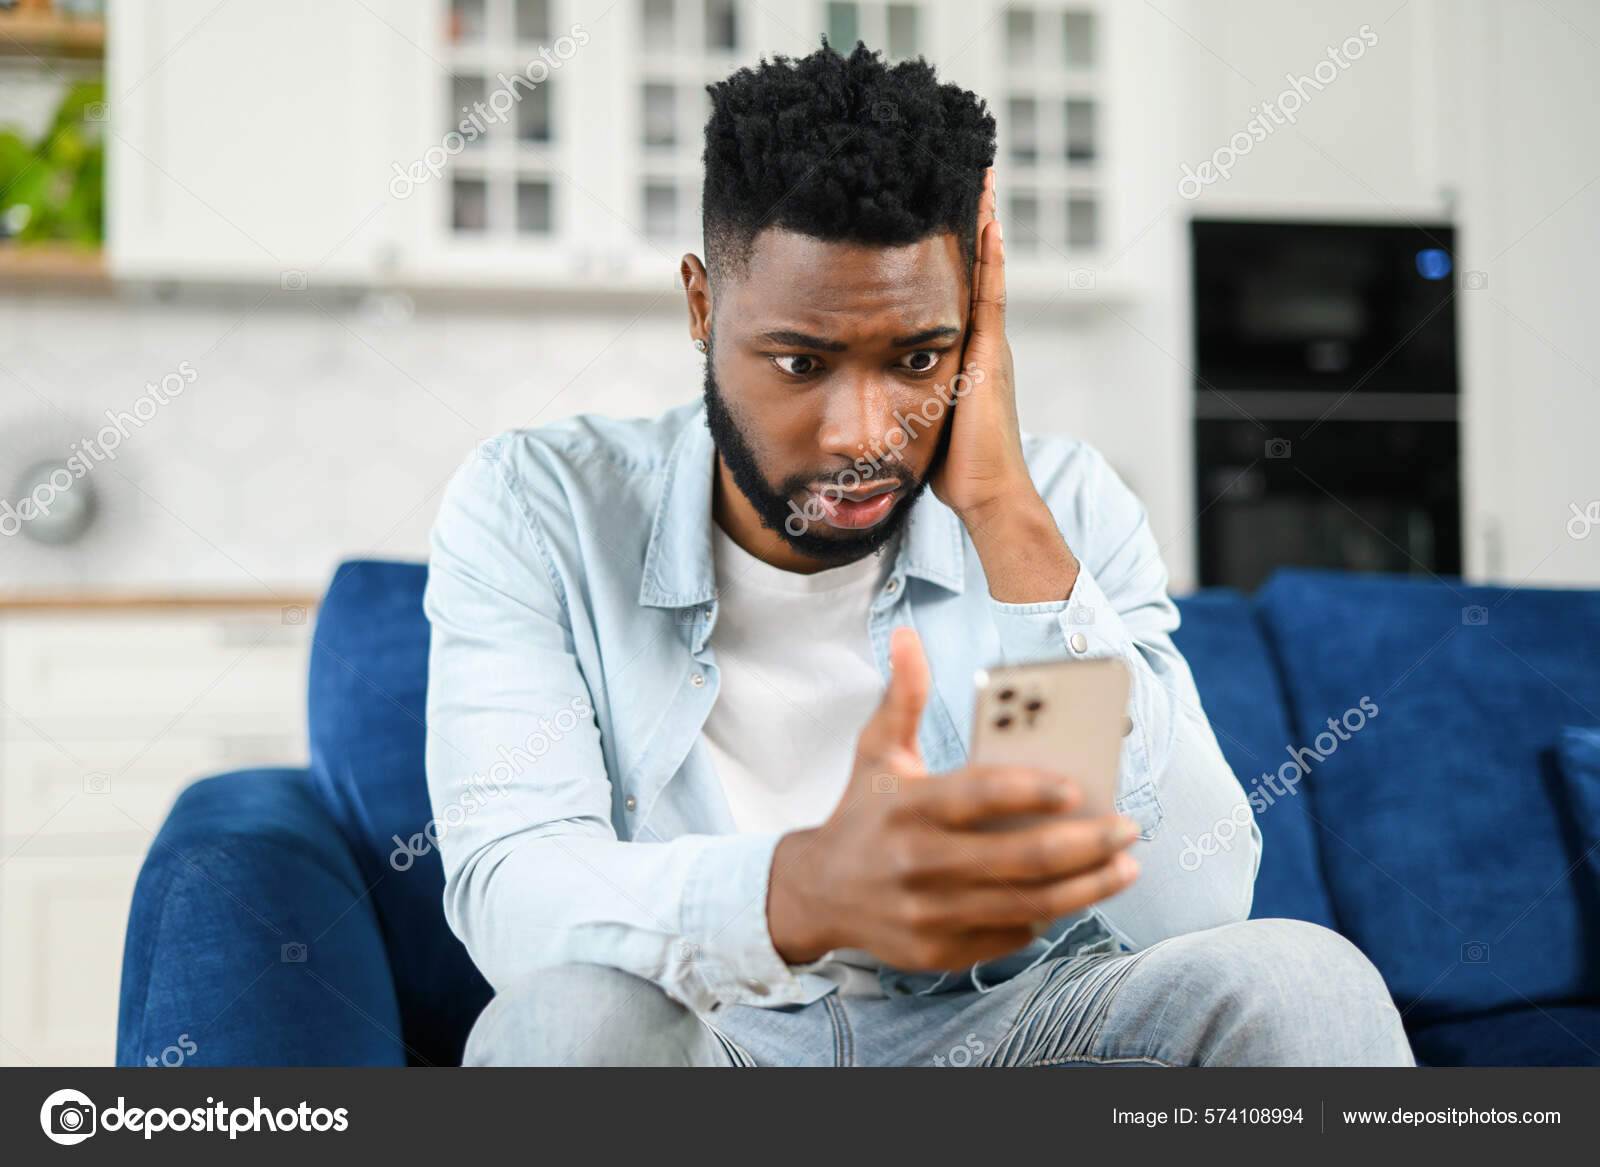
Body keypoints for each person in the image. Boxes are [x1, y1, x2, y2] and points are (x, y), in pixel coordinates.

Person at [422, 40, 1413, 1067]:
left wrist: (1004, 521)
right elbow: (515, 892)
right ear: (702, 306)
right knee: (561, 1025)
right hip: (715, 1031)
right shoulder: (542, 509)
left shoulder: (1058, 505)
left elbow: (1194, 906)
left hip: (1018, 1029)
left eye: (917, 359)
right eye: (802, 362)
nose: (863, 434)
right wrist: (805, 888)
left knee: (1303, 980)